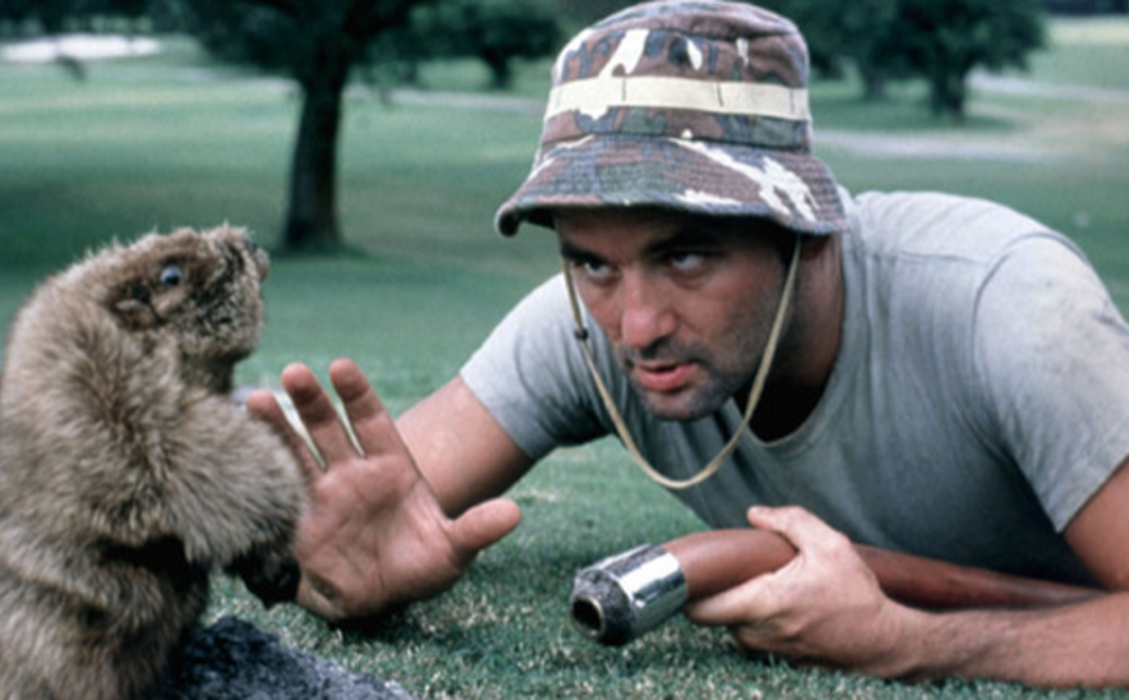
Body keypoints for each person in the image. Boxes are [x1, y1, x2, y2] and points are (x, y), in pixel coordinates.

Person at [248, 0, 1129, 688]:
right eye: (591, 262)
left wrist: (915, 645)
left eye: (688, 254)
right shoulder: (590, 322)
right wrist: (325, 567)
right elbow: (382, 505)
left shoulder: (1006, 307)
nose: (636, 325)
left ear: (808, 227)